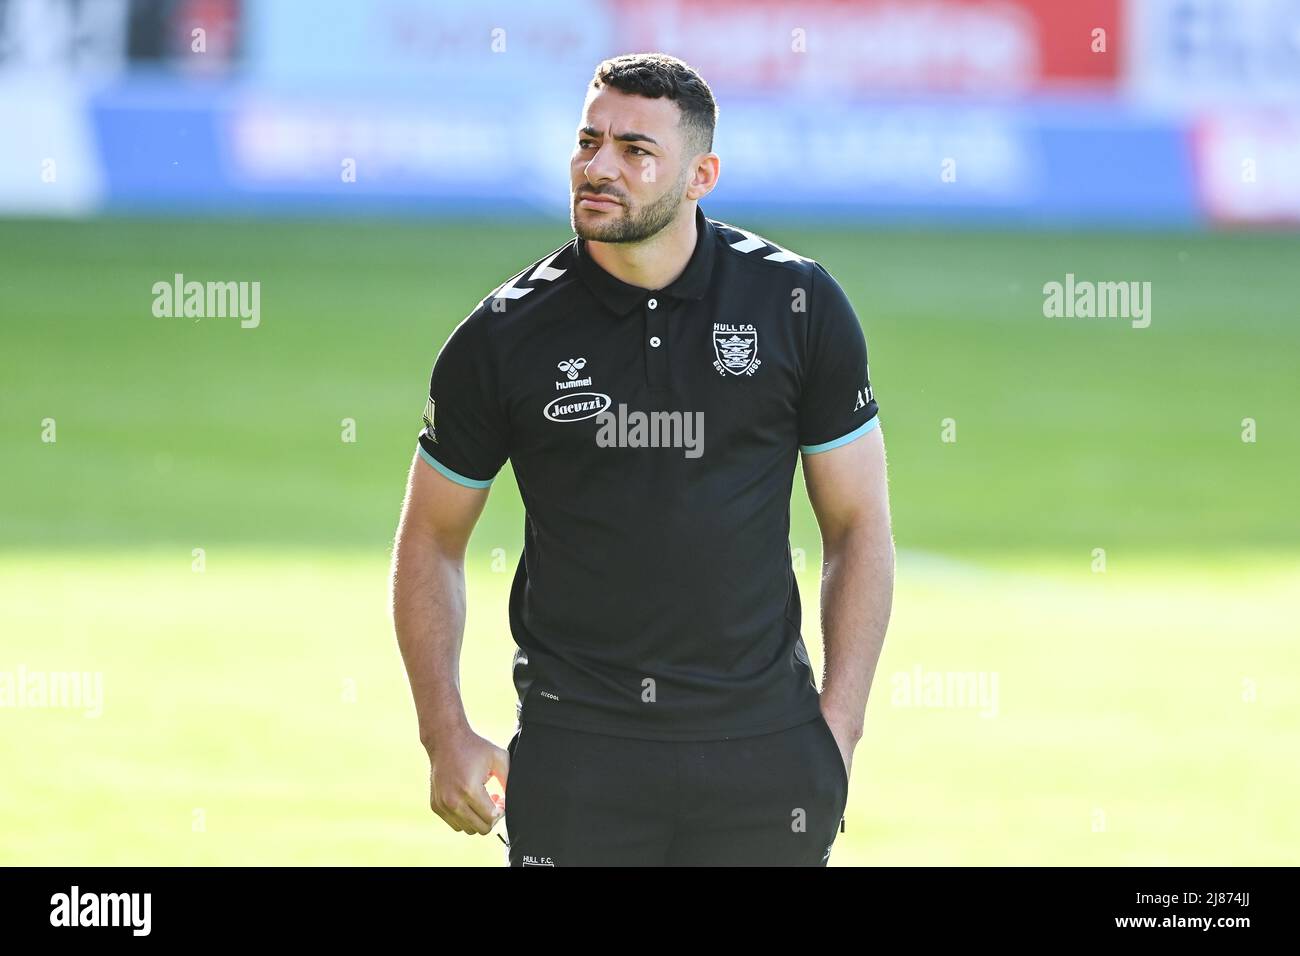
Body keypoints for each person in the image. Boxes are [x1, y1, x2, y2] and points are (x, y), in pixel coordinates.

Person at [390, 52, 894, 866]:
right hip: (578, 752)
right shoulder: (502, 336)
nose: (599, 166)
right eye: (589, 140)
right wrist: (442, 732)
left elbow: (859, 525)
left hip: (764, 751)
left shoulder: (798, 305)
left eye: (635, 151)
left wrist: (839, 729)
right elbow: (430, 541)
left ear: (701, 176)